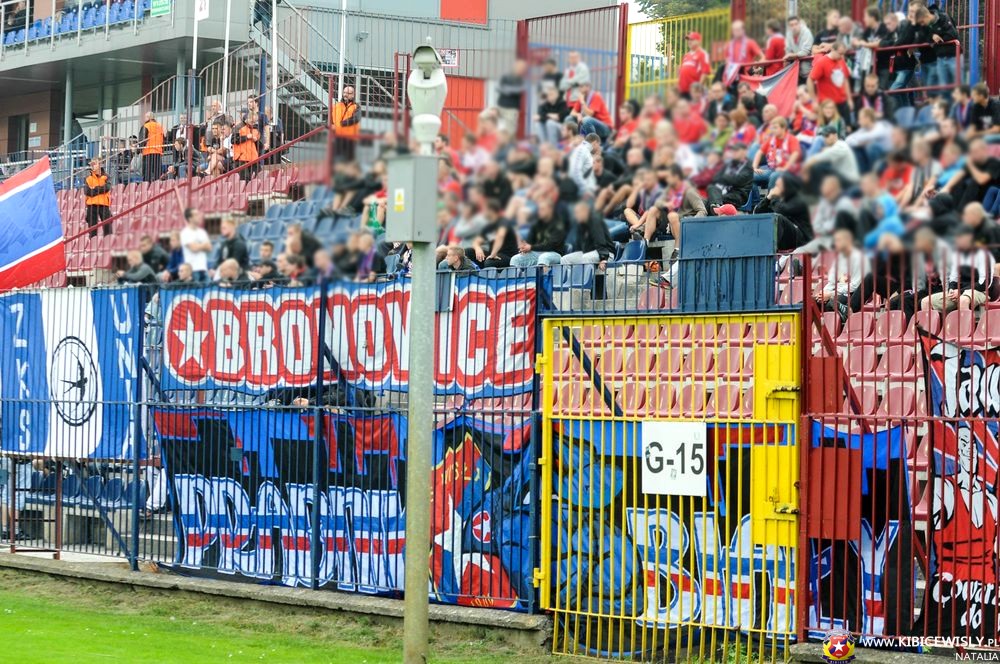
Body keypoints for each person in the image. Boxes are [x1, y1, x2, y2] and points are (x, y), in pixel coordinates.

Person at [923, 225, 996, 312]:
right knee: (926, 301)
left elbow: (984, 284)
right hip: (960, 291)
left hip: (980, 292)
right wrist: (951, 289)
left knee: (963, 300)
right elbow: (953, 278)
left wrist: (960, 291)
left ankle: (964, 325)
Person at [815, 225, 868, 311]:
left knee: (829, 305)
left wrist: (831, 294)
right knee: (806, 304)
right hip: (832, 293)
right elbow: (831, 282)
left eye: (838, 240)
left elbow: (854, 286)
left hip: (848, 295)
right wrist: (823, 293)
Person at [913, 4, 960, 93]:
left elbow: (953, 34)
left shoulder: (943, 17)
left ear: (926, 16)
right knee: (943, 87)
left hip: (952, 55)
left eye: (922, 22)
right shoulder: (926, 25)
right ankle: (945, 105)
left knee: (957, 84)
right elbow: (925, 37)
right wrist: (933, 36)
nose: (922, 24)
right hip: (940, 57)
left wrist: (937, 38)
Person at [942, 138, 1000, 209]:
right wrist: (947, 187)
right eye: (971, 152)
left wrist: (970, 165)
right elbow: (960, 174)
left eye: (975, 151)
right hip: (974, 195)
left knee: (974, 182)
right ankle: (953, 210)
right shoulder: (975, 162)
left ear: (984, 150)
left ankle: (960, 212)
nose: (972, 154)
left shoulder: (994, 163)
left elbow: (982, 180)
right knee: (959, 183)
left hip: (988, 195)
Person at [510, 198, 567, 268]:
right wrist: (524, 247)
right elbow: (529, 242)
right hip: (537, 252)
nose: (539, 212)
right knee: (515, 259)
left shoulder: (558, 224)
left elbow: (551, 245)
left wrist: (531, 247)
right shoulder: (537, 224)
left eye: (542, 209)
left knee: (544, 257)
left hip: (554, 253)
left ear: (550, 209)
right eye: (539, 209)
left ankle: (543, 278)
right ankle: (519, 278)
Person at [803, 125, 860, 191]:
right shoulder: (839, 144)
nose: (825, 139)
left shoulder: (839, 147)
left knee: (817, 167)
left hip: (850, 181)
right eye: (824, 136)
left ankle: (815, 193)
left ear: (835, 136)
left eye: (827, 136)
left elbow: (817, 158)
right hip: (844, 177)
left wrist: (805, 168)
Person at [809, 42, 853, 123]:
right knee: (830, 131)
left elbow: (845, 80)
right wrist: (814, 100)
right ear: (833, 50)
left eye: (843, 54)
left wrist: (849, 99)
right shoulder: (822, 62)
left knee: (847, 127)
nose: (842, 56)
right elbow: (810, 80)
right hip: (828, 105)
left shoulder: (841, 60)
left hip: (842, 102)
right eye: (840, 53)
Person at [561, 200, 614, 269]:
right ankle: (569, 280)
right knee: (565, 259)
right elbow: (581, 246)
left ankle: (586, 280)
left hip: (606, 253)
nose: (575, 215)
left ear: (585, 211)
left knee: (586, 257)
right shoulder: (581, 225)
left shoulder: (595, 220)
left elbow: (601, 242)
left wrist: (603, 258)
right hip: (588, 253)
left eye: (577, 213)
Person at [753, 117, 801, 189]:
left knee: (774, 176)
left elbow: (795, 154)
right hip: (770, 168)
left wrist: (785, 168)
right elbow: (759, 152)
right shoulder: (771, 139)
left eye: (775, 128)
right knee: (748, 176)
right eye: (772, 128)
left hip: (787, 170)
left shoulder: (792, 139)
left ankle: (769, 199)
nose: (773, 130)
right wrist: (754, 167)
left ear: (783, 128)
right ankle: (755, 200)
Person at [707, 141, 754, 209]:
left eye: (737, 150)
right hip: (724, 191)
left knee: (713, 199)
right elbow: (715, 178)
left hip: (738, 195)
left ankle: (716, 209)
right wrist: (725, 178)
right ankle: (717, 209)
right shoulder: (730, 163)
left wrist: (723, 177)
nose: (734, 152)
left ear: (745, 152)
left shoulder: (748, 165)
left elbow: (737, 180)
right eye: (733, 150)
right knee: (711, 187)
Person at [846, 107, 894, 172]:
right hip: (873, 159)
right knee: (856, 149)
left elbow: (872, 136)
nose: (858, 121)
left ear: (867, 118)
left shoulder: (880, 126)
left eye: (860, 118)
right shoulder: (864, 129)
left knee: (872, 146)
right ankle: (865, 175)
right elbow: (848, 139)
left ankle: (877, 174)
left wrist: (860, 141)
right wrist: (859, 143)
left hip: (888, 158)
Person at [0, 456, 32, 541]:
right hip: (20, 462)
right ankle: (16, 531)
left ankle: (4, 531)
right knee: (18, 495)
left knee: (6, 495)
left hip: (5, 460)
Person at [721, 20, 762, 87]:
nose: (736, 32)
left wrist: (757, 76)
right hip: (733, 77)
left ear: (743, 30)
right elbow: (727, 62)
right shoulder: (729, 45)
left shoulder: (750, 42)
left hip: (748, 76)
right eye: (734, 30)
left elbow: (762, 58)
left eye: (738, 29)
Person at [180, 208, 212, 282]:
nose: (199, 216)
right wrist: (203, 245)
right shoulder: (185, 233)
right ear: (190, 218)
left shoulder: (202, 232)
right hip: (193, 270)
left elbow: (209, 247)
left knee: (208, 292)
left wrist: (198, 245)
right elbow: (193, 248)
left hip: (204, 269)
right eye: (196, 215)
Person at [497, 59, 527, 135]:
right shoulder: (506, 76)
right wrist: (509, 90)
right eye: (519, 67)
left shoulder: (521, 79)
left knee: (510, 130)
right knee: (498, 127)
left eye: (522, 68)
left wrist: (507, 89)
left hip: (512, 108)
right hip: (501, 105)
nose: (521, 69)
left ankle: (509, 144)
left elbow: (520, 89)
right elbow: (498, 87)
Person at [84, 158, 112, 237]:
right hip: (91, 205)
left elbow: (107, 188)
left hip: (104, 204)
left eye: (94, 164)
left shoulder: (106, 176)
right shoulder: (88, 178)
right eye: (91, 164)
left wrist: (94, 189)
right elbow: (87, 191)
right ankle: (92, 243)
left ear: (100, 165)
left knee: (107, 227)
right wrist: (100, 189)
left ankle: (108, 242)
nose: (92, 166)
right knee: (92, 229)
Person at [678, 32, 712, 98]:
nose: (689, 42)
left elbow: (705, 72)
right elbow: (681, 72)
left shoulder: (702, 54)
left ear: (698, 41)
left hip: (694, 91)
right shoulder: (686, 55)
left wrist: (698, 88)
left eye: (692, 40)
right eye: (689, 40)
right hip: (683, 91)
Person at [332, 85, 361, 160]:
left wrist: (341, 124)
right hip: (338, 137)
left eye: (348, 93)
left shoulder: (356, 106)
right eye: (344, 92)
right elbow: (331, 119)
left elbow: (356, 118)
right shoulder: (336, 105)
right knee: (336, 161)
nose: (345, 94)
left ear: (353, 95)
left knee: (348, 161)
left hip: (350, 138)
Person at [232, 112, 261, 180]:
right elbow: (233, 140)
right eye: (252, 121)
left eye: (255, 122)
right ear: (247, 119)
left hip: (253, 158)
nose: (253, 123)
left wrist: (256, 140)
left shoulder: (255, 128)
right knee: (245, 179)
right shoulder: (239, 127)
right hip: (241, 158)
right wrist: (246, 137)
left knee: (257, 178)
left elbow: (260, 144)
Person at [785, 16, 815, 80]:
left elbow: (806, 51)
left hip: (807, 70)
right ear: (789, 27)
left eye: (796, 24)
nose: (794, 27)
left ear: (799, 24)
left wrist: (792, 55)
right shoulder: (788, 34)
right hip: (793, 71)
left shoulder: (806, 32)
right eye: (791, 25)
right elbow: (788, 50)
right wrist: (789, 55)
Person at [139, 112, 165, 182]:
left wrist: (139, 150)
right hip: (158, 152)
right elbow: (163, 139)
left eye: (145, 117)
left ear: (148, 117)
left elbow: (142, 140)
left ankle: (147, 188)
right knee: (157, 174)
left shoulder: (146, 126)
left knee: (147, 174)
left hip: (148, 152)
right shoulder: (160, 126)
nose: (144, 119)